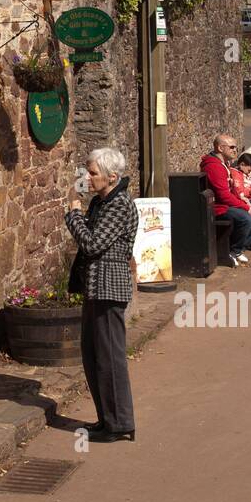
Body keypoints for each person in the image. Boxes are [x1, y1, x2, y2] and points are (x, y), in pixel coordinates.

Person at [64, 147, 139, 443]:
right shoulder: (101, 202)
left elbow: (93, 244)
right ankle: (107, 418)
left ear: (112, 176)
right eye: (87, 171)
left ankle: (120, 423)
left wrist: (73, 217)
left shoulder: (119, 204)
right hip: (95, 286)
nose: (87, 177)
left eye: (92, 173)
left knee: (110, 357)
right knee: (93, 355)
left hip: (109, 287)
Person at [200, 134, 251, 266]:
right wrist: (244, 206)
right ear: (221, 148)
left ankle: (239, 249)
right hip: (217, 207)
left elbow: (231, 189)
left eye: (236, 147)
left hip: (226, 203)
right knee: (247, 219)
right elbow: (223, 196)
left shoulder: (224, 163)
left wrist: (243, 199)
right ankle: (233, 251)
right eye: (232, 147)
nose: (235, 150)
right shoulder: (214, 167)